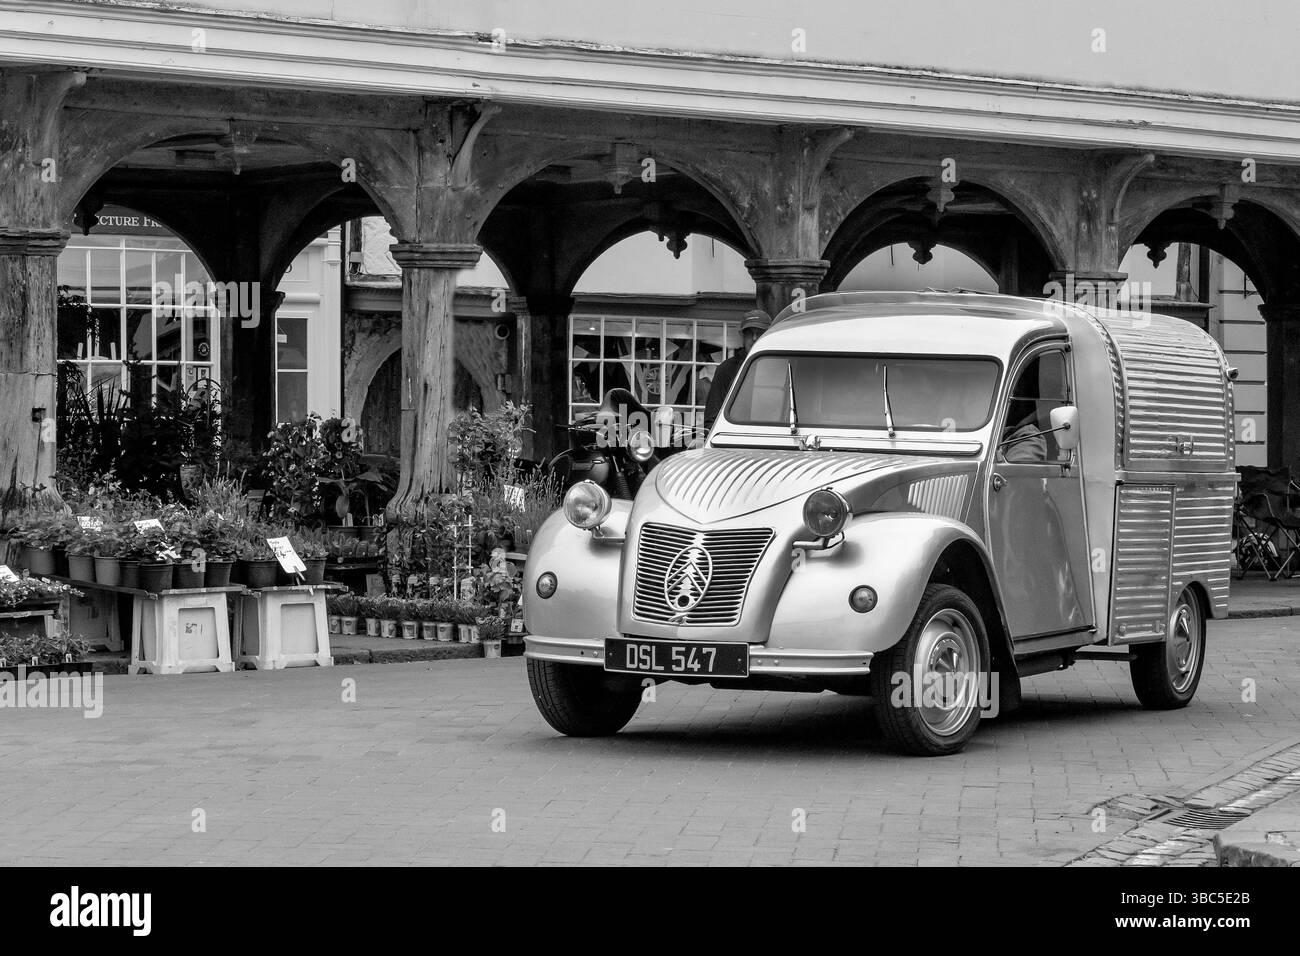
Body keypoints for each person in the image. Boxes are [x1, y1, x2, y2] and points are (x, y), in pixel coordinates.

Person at [703, 309, 770, 429]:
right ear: (742, 335)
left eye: (759, 333)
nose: (754, 338)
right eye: (749, 333)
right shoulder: (726, 369)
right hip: (734, 441)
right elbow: (711, 419)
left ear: (769, 334)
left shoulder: (780, 368)